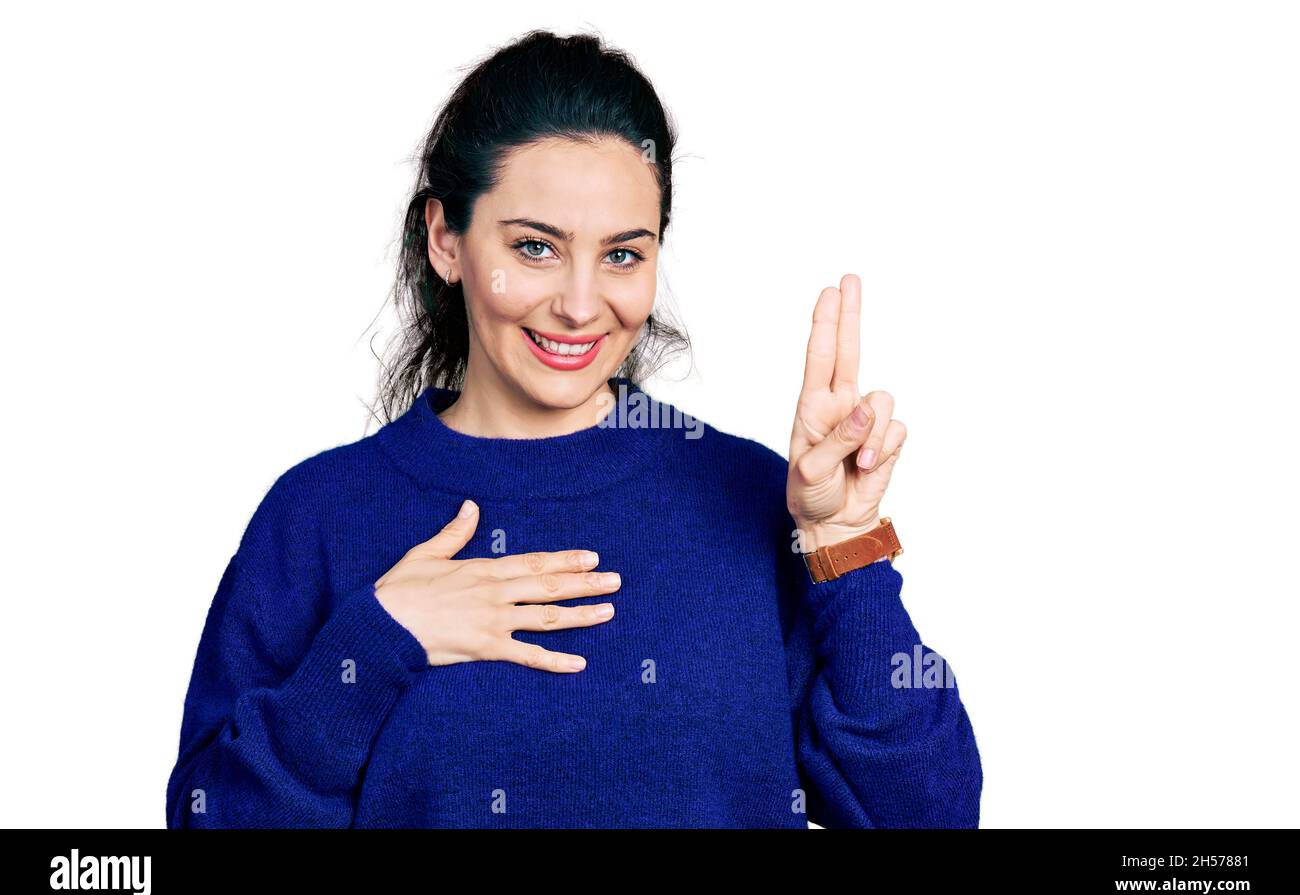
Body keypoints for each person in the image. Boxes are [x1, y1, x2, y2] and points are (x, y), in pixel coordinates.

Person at [165, 29, 982, 829]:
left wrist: (847, 543)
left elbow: (929, 813)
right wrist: (376, 642)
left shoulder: (757, 498)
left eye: (624, 255)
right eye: (535, 247)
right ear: (445, 239)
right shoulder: (317, 515)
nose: (582, 304)